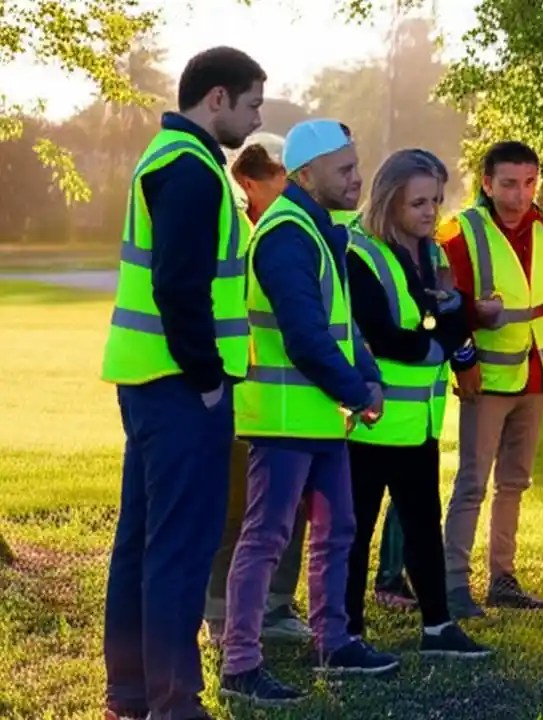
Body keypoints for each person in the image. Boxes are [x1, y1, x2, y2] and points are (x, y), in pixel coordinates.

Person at [99, 46, 265, 720]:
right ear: (217, 98)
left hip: (149, 379)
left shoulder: (171, 158)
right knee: (180, 546)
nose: (256, 120)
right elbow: (178, 286)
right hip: (179, 387)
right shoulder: (193, 169)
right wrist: (205, 378)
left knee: (142, 540)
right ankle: (173, 704)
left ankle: (133, 694)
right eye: (252, 103)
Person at [219, 119, 400, 706]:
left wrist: (365, 378)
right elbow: (303, 337)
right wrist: (359, 391)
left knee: (337, 530)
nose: (358, 178)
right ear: (304, 174)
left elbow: (340, 329)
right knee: (266, 539)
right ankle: (240, 662)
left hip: (318, 415)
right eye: (344, 169)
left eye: (356, 164)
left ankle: (333, 641)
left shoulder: (320, 231)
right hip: (282, 419)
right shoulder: (287, 234)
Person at [341, 148, 491, 657]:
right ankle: (347, 632)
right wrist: (437, 336)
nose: (431, 212)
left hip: (417, 422)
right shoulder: (358, 252)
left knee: (423, 527)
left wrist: (442, 326)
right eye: (418, 203)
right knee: (354, 533)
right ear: (389, 202)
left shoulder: (432, 254)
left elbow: (452, 318)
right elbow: (381, 335)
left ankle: (437, 628)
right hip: (368, 420)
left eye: (436, 200)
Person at [440, 141, 543, 618]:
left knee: (515, 482)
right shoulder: (461, 231)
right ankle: (454, 585)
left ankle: (503, 578)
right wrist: (467, 355)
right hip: (488, 374)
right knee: (472, 482)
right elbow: (445, 306)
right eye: (510, 184)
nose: (520, 195)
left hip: (536, 369)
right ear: (488, 184)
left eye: (530, 182)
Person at [204, 142, 310, 646]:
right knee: (237, 511)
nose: (287, 185)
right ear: (249, 182)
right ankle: (222, 615)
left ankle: (275, 605)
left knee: (289, 507)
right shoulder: (240, 235)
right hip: (245, 397)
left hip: (289, 400)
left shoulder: (295, 231)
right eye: (279, 177)